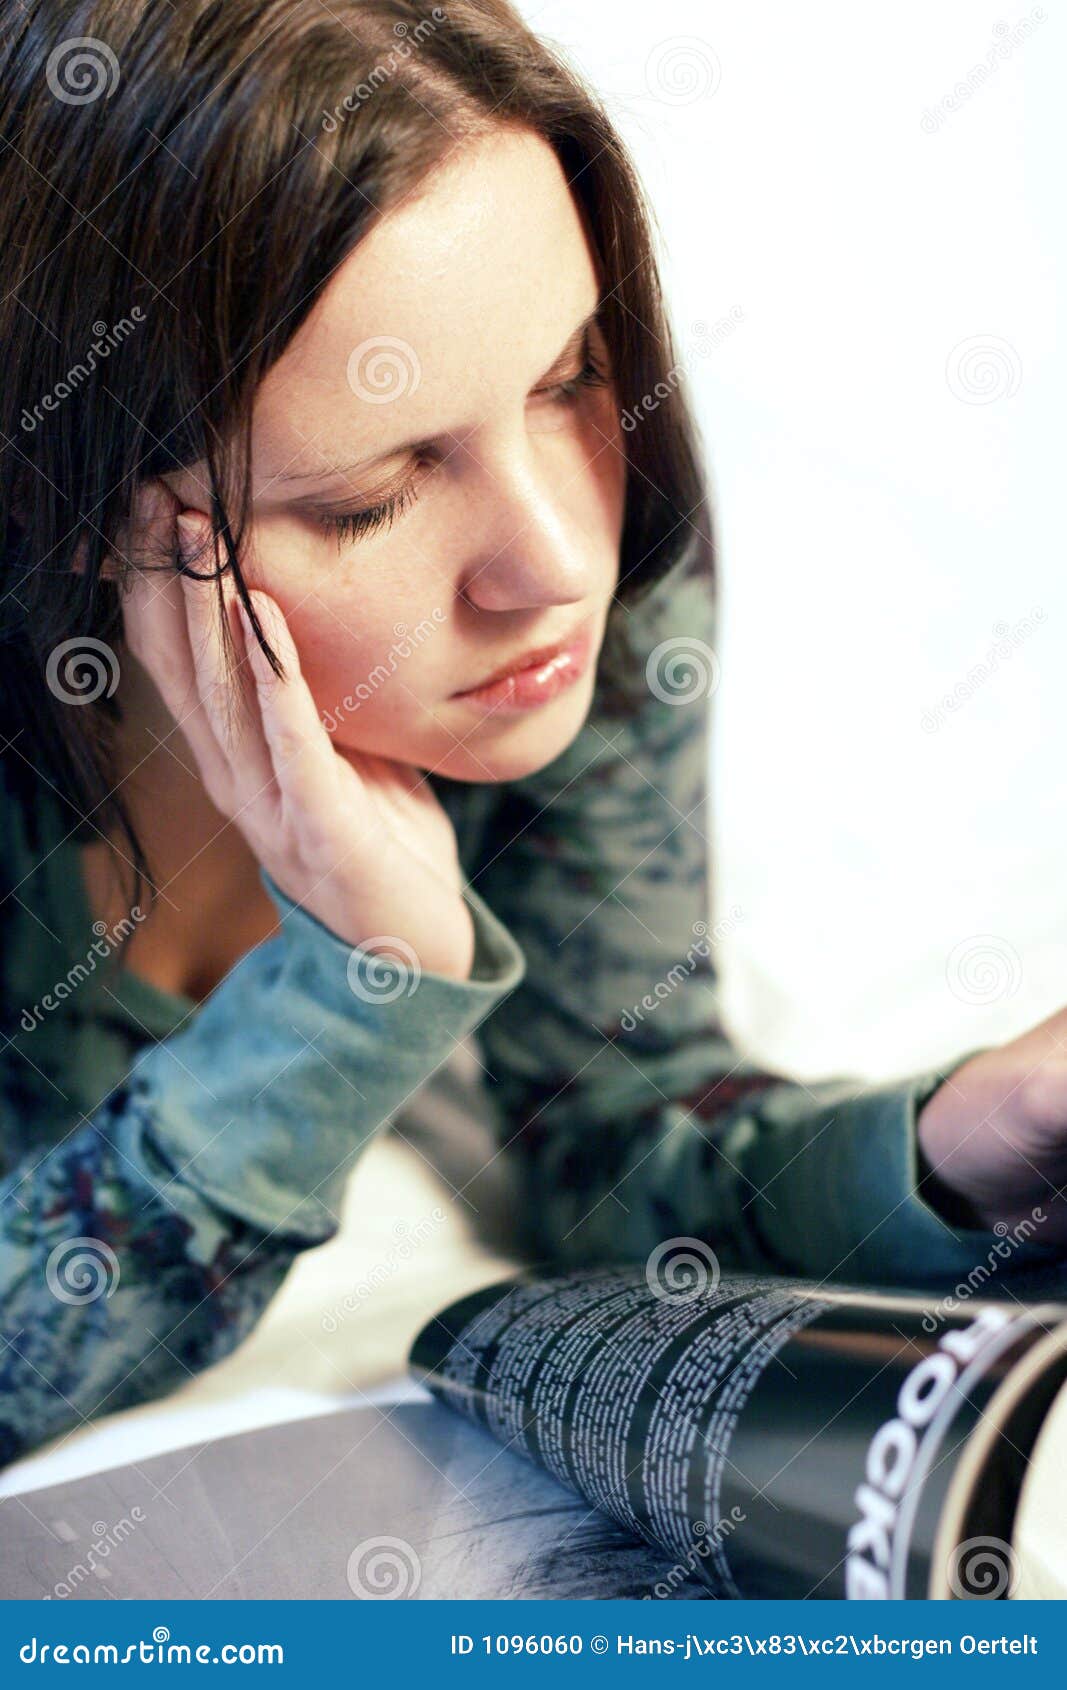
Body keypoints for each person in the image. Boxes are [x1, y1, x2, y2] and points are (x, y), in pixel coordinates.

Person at [0, 0, 1063, 1471]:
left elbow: (618, 1128)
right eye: (372, 493)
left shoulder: (591, 589)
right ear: (60, 506)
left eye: (569, 375)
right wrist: (354, 992)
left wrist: (969, 1139)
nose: (558, 556)